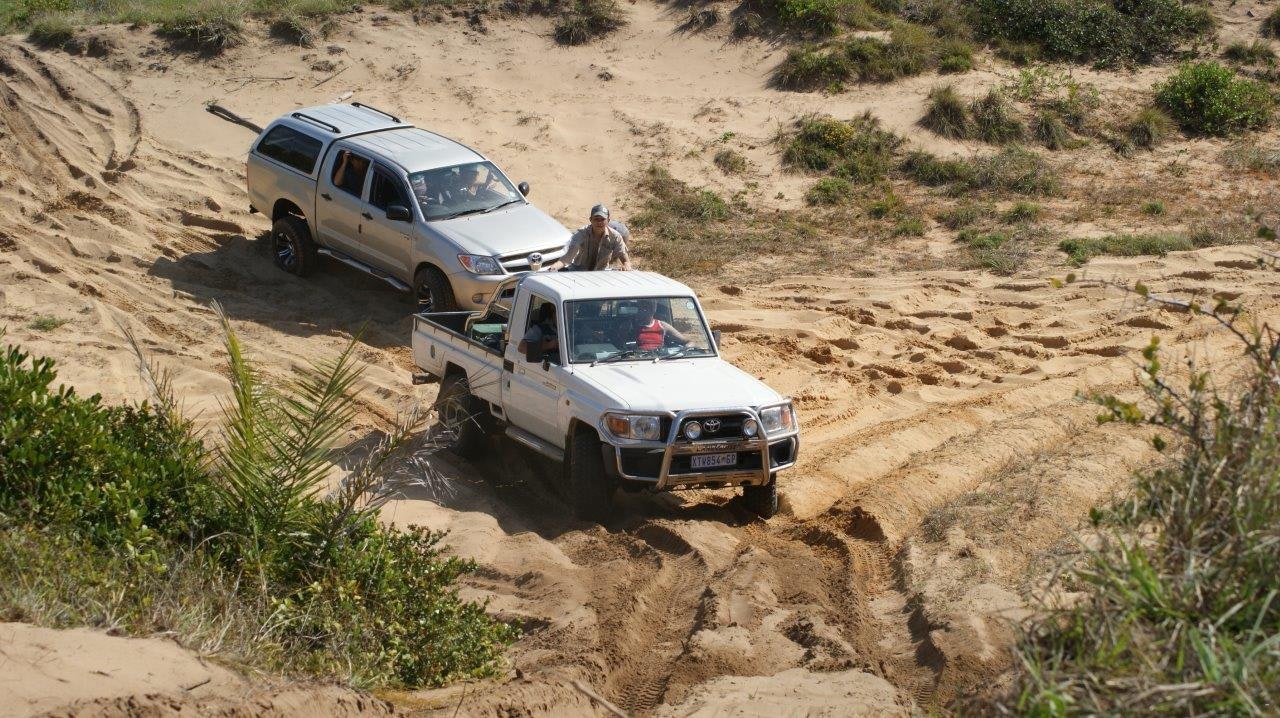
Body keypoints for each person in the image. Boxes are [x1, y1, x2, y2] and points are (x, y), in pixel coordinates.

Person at [557, 204, 632, 271]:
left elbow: (626, 261)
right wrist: (553, 268)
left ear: (608, 220)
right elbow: (568, 257)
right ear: (591, 220)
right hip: (578, 272)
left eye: (602, 219)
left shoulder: (615, 236)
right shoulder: (581, 233)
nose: (599, 222)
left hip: (600, 274)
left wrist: (626, 266)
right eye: (596, 219)